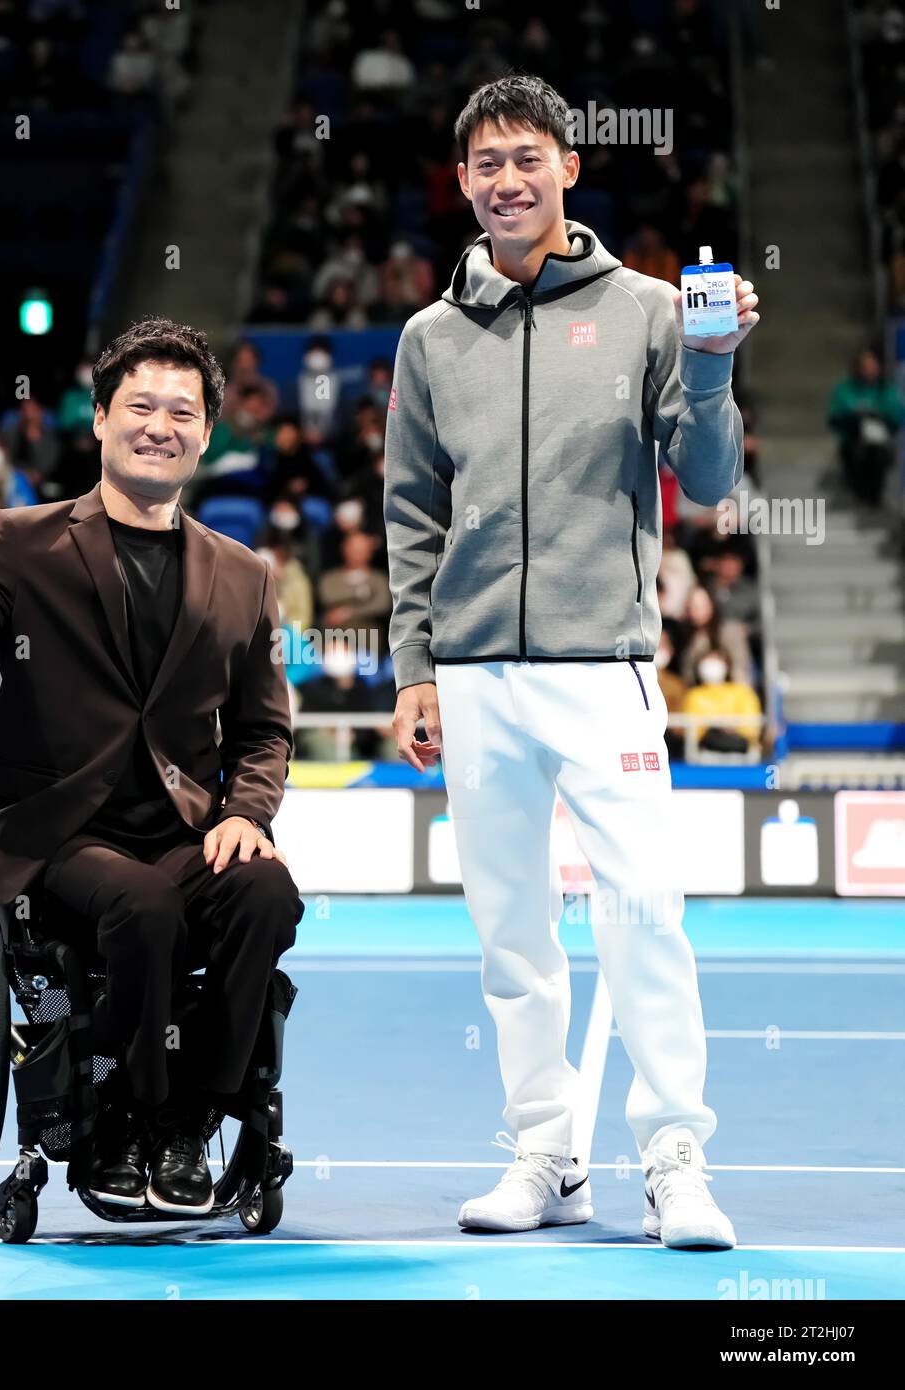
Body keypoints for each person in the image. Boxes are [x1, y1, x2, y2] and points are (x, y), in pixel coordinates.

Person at [384, 74, 758, 1250]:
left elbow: (705, 482)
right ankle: (546, 1153)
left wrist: (710, 366)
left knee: (645, 911)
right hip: (476, 670)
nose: (505, 180)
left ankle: (673, 1157)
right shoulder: (429, 338)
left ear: (566, 169)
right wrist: (413, 667)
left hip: (603, 669)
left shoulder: (648, 310)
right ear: (464, 182)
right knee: (511, 931)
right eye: (485, 163)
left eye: (526, 158)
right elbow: (409, 511)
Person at [0, 317, 303, 1217]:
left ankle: (188, 1125)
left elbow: (263, 731)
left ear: (207, 434)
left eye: (183, 411)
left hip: (181, 829)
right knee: (142, 907)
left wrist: (245, 813)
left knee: (267, 895)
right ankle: (119, 1128)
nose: (160, 424)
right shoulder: (20, 540)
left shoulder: (242, 574)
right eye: (139, 405)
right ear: (99, 418)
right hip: (54, 832)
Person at [826, 348, 903, 507]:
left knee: (876, 454)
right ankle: (858, 492)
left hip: (880, 444)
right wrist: (855, 414)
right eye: (865, 366)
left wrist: (879, 414)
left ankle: (874, 497)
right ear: (857, 368)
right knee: (859, 455)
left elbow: (897, 415)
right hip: (853, 442)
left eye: (873, 366)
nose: (869, 370)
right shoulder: (846, 388)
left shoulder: (885, 389)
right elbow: (835, 416)